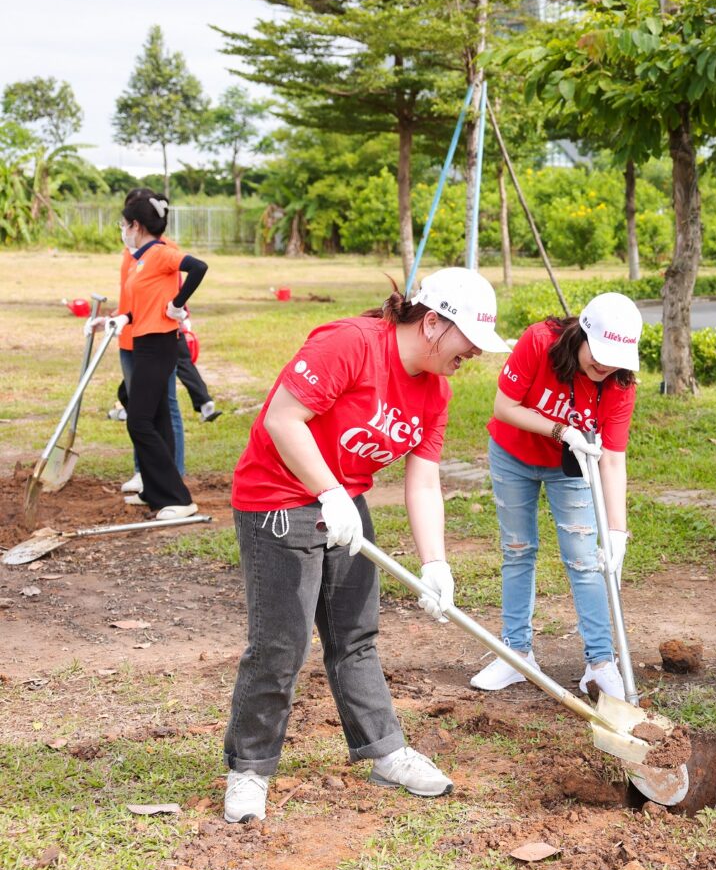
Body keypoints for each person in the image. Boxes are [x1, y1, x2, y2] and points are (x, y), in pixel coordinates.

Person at [222, 267, 510, 824]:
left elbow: (424, 481)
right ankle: (250, 767)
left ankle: (384, 751)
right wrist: (327, 491)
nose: (473, 354)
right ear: (432, 323)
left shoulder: (436, 391)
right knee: (281, 645)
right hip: (278, 499)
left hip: (341, 503)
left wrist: (436, 563)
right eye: (468, 342)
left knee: (356, 636)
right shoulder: (350, 345)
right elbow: (284, 419)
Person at [470, 292, 644, 701]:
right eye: (597, 354)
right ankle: (516, 654)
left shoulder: (620, 384)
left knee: (586, 560)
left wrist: (617, 532)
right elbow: (503, 407)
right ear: (580, 334)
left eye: (614, 358)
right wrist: (561, 430)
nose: (603, 365)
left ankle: (601, 664)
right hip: (514, 455)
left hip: (573, 469)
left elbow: (614, 461)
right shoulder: (538, 341)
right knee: (517, 548)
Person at [88, 189, 204, 519]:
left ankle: (178, 499)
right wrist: (113, 320)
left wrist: (178, 304)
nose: (122, 230)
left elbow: (199, 267)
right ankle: (154, 490)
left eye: (124, 224)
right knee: (155, 418)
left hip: (159, 345)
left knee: (138, 422)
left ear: (136, 225)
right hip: (143, 341)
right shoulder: (141, 259)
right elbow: (140, 307)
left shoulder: (162, 253)